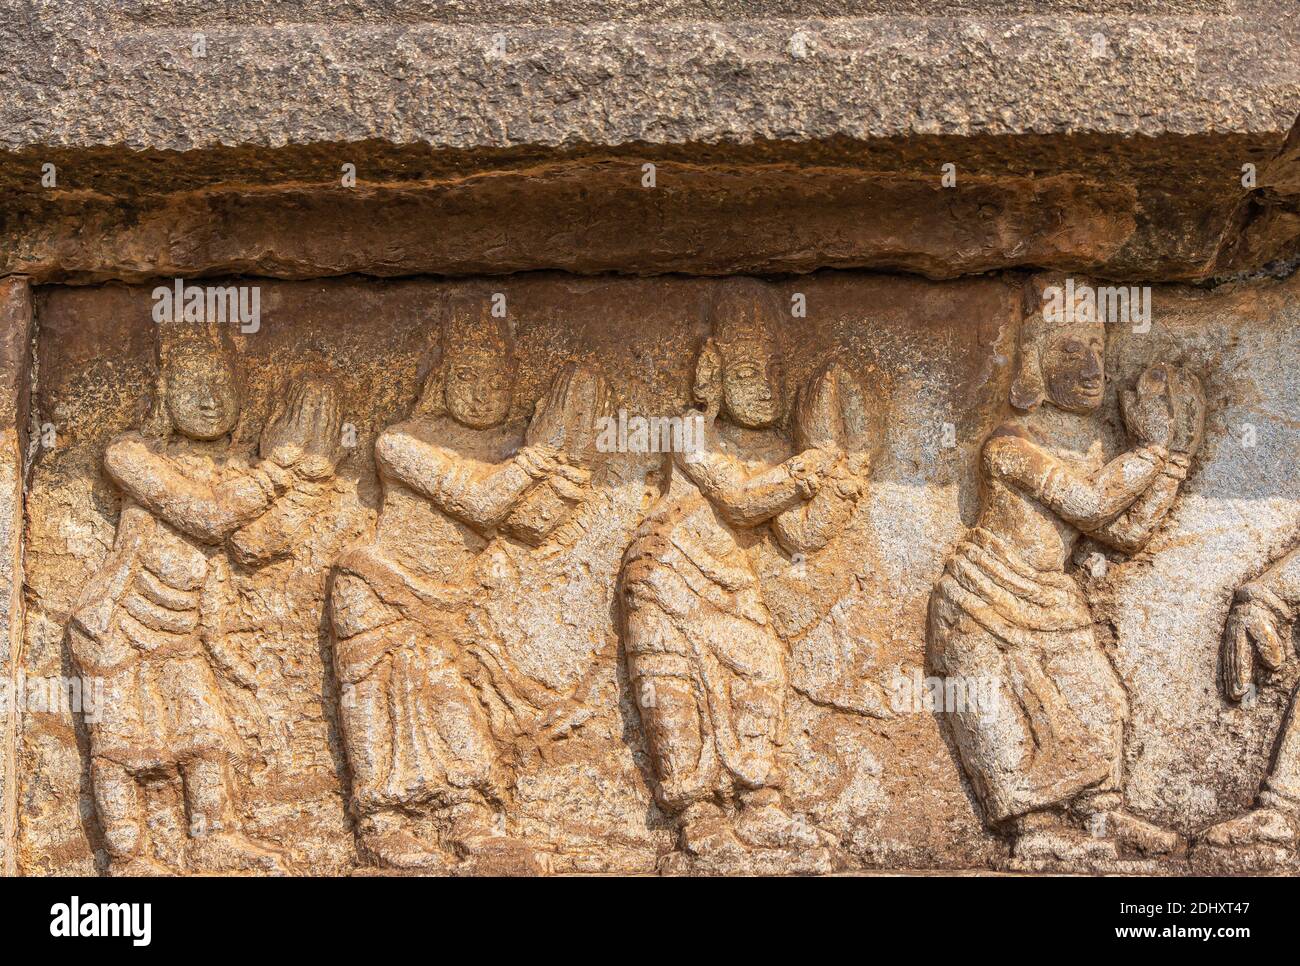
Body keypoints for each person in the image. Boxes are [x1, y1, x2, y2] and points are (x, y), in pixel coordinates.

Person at [926, 300, 1204, 866]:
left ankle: (1099, 809)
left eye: (1098, 351)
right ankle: (1034, 828)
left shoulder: (1092, 453)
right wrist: (1150, 450)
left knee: (1101, 700)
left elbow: (1125, 531)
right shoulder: (1008, 445)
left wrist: (1174, 460)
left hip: (1050, 597)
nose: (1093, 367)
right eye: (1071, 351)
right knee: (1002, 719)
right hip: (984, 597)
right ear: (1035, 365)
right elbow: (1090, 502)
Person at [69, 318, 340, 875]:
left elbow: (252, 545)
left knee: (207, 738)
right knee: (121, 748)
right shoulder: (132, 456)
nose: (211, 399)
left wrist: (308, 481)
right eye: (193, 385)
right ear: (165, 394)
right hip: (117, 624)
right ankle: (128, 859)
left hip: (184, 631)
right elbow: (206, 515)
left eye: (222, 384)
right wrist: (275, 472)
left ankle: (213, 837)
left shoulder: (235, 473)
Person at [620, 281, 839, 871]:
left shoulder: (767, 450)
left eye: (771, 374)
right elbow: (740, 500)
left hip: (730, 582)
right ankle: (696, 815)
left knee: (761, 664)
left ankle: (759, 798)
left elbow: (800, 536)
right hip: (667, 572)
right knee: (674, 687)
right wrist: (801, 475)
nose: (764, 387)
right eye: (746, 375)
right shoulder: (691, 431)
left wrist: (842, 479)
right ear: (713, 377)